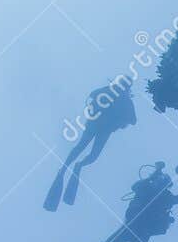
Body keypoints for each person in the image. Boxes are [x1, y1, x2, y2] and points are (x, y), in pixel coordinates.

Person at [44, 80, 137, 211]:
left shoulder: (115, 94)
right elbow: (133, 120)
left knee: (85, 150)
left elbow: (92, 95)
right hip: (100, 128)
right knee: (88, 152)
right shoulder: (120, 96)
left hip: (97, 126)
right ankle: (72, 167)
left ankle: (70, 167)